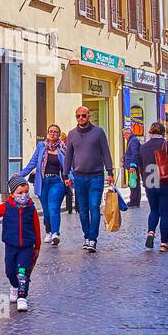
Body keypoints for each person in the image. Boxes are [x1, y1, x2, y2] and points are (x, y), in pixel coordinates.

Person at [0, 174, 42, 312]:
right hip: (11, 245)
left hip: (26, 247)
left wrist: (37, 246)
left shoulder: (31, 208)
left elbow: (37, 227)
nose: (24, 195)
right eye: (20, 193)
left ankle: (22, 297)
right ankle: (15, 286)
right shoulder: (6, 207)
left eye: (26, 192)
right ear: (12, 194)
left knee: (22, 272)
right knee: (10, 271)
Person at [62, 106, 115, 252]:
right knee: (83, 210)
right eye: (78, 116)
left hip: (96, 176)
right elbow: (68, 156)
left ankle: (93, 239)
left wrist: (110, 172)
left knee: (94, 207)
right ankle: (86, 236)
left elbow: (106, 152)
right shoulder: (72, 134)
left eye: (83, 115)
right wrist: (65, 175)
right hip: (79, 177)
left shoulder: (98, 132)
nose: (81, 118)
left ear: (89, 116)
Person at [139, 122, 168, 252]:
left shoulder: (143, 147)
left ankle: (150, 232)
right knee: (164, 213)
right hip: (165, 180)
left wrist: (144, 180)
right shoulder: (167, 144)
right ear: (163, 133)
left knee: (153, 210)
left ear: (150, 133)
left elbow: (141, 165)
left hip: (150, 181)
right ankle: (164, 243)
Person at [20, 124, 66, 245]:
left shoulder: (62, 148)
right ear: (47, 133)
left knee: (53, 208)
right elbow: (32, 163)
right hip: (42, 182)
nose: (53, 133)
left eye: (55, 132)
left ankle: (56, 233)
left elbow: (68, 166)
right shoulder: (41, 146)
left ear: (59, 134)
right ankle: (49, 231)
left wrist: (71, 179)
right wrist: (20, 175)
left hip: (57, 182)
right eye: (50, 131)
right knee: (46, 210)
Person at [123, 125, 143, 207]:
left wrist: (132, 166)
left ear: (128, 133)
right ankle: (134, 200)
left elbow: (135, 153)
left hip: (133, 166)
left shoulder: (133, 140)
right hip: (132, 165)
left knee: (133, 183)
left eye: (124, 135)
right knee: (133, 183)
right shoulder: (132, 140)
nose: (124, 137)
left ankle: (134, 201)